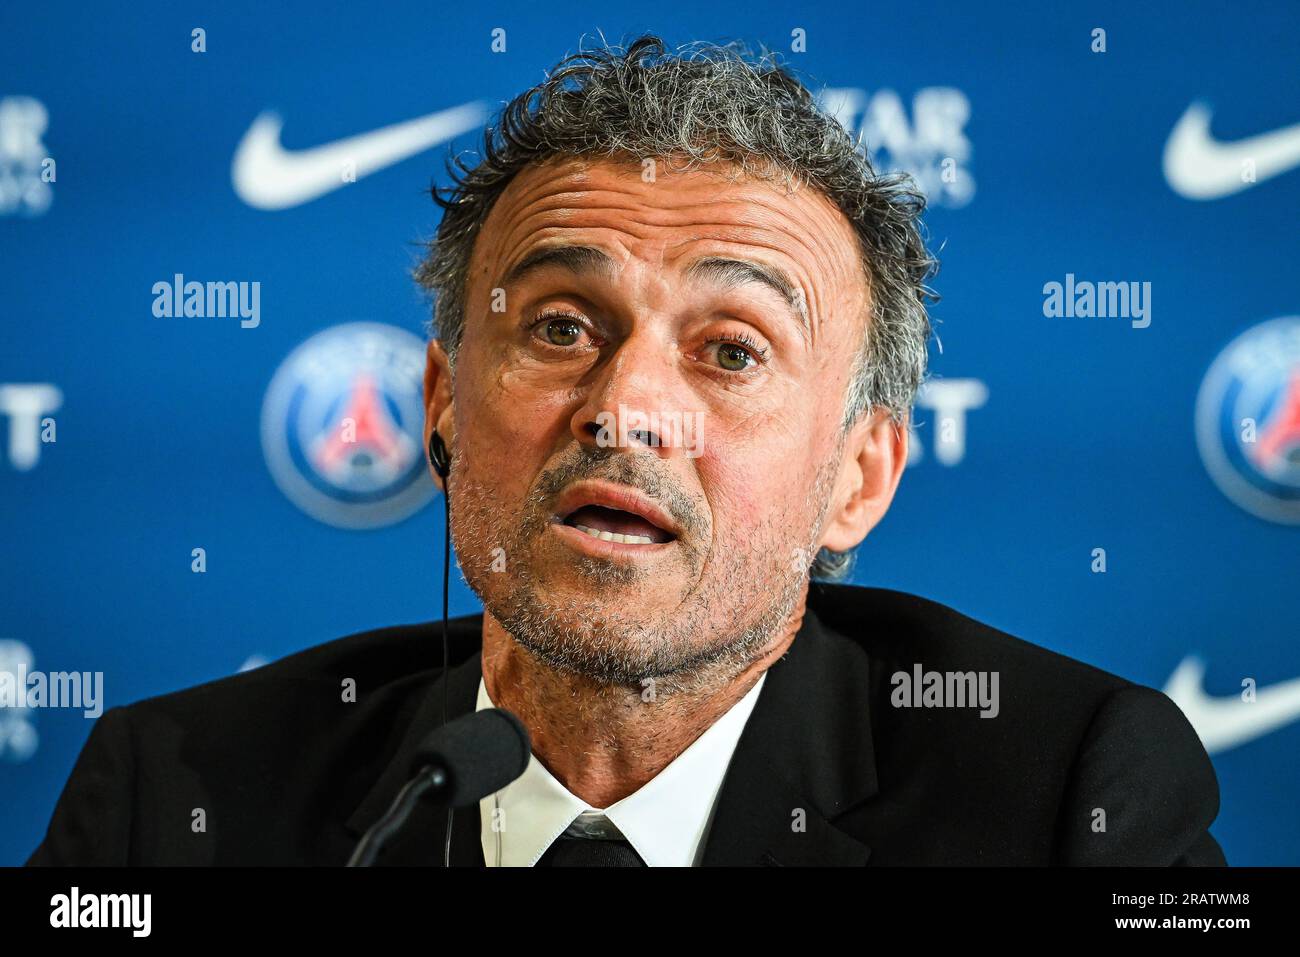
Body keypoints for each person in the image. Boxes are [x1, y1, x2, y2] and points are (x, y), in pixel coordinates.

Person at [27, 34, 1224, 867]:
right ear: (443, 403)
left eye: (732, 351)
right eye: (559, 327)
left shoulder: (1072, 801)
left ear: (858, 479)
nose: (625, 408)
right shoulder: (175, 796)